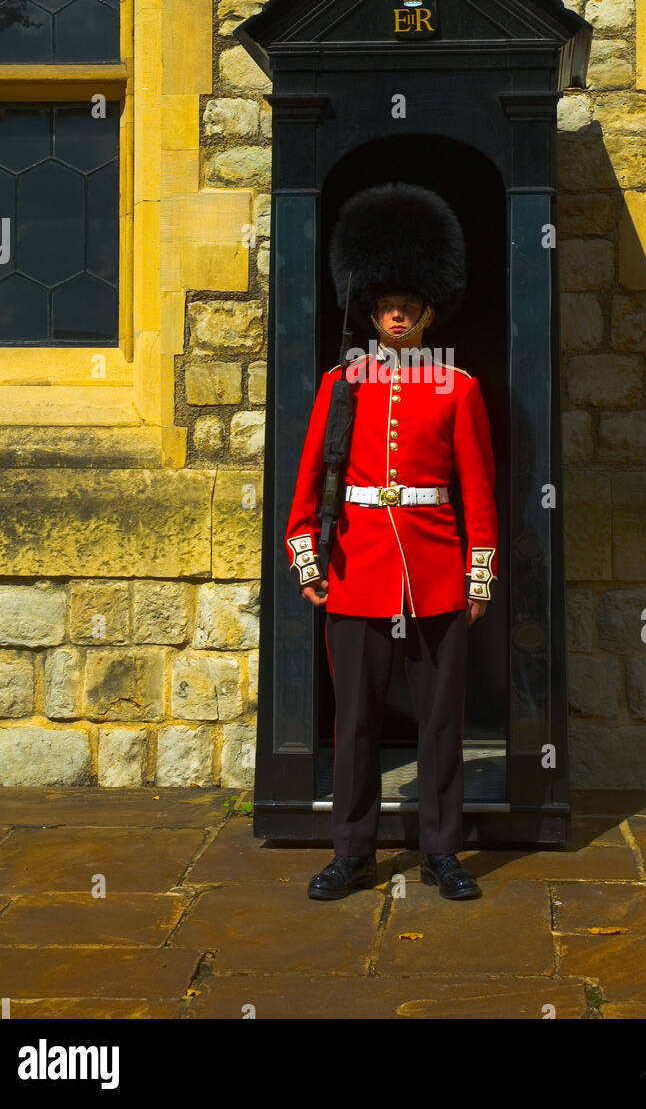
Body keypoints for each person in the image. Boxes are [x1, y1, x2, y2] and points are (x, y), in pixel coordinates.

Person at [284, 182, 498, 900]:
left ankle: (442, 849)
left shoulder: (458, 389)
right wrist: (307, 555)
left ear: (429, 310)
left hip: (434, 570)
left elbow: (478, 491)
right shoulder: (340, 383)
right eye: (385, 305)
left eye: (408, 304)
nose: (396, 314)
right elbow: (311, 479)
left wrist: (478, 574)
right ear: (372, 312)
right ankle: (353, 850)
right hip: (357, 567)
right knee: (356, 722)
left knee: (441, 720)